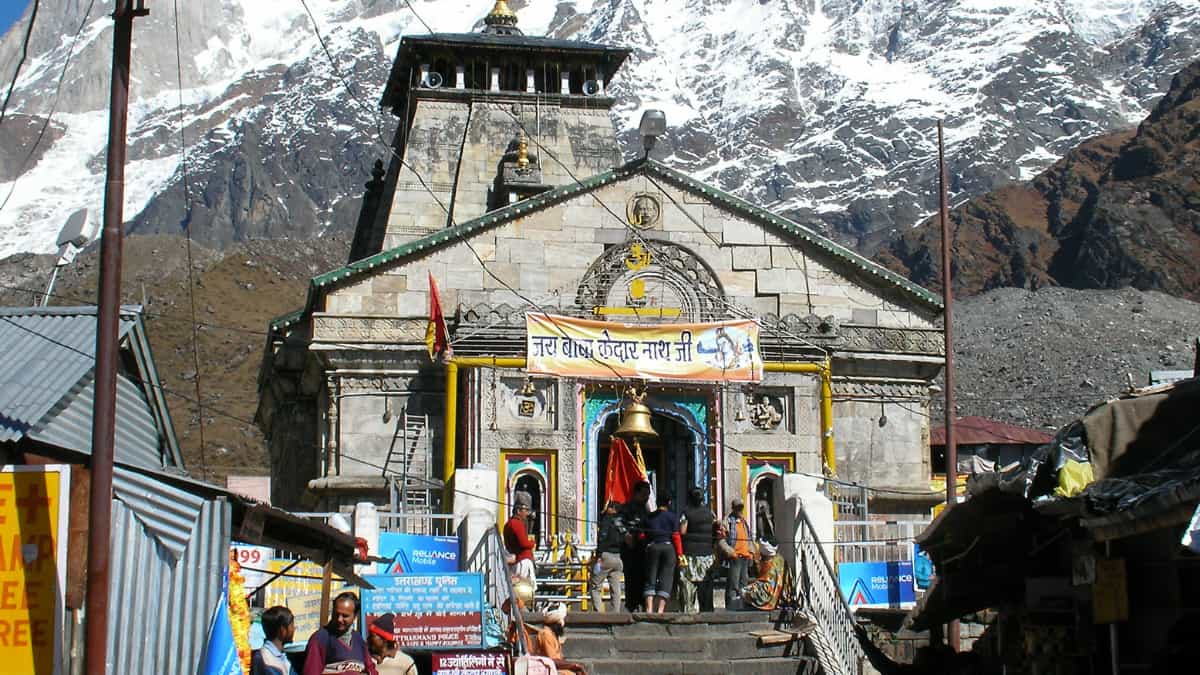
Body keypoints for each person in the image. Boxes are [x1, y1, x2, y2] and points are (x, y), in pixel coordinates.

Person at [302, 591, 377, 675]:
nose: (339, 619)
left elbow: (371, 669)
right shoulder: (320, 639)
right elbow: (311, 671)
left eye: (345, 616)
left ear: (355, 616)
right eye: (336, 614)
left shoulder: (358, 639)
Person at [677, 487, 716, 613]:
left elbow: (682, 531)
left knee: (689, 583)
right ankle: (707, 609)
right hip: (707, 554)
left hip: (691, 553)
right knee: (706, 584)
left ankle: (689, 610)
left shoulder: (686, 513)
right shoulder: (709, 513)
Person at [642, 492, 682, 614]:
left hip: (653, 547)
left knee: (650, 577)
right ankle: (660, 610)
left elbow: (643, 535)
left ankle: (649, 609)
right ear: (669, 502)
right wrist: (680, 554)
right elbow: (676, 536)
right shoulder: (672, 517)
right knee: (667, 577)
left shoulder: (649, 517)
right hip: (668, 547)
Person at [618, 480, 652, 612]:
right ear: (636, 493)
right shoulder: (627, 508)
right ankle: (631, 605)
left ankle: (642, 604)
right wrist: (626, 535)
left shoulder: (646, 509)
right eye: (644, 494)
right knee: (631, 578)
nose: (646, 498)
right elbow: (618, 522)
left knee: (644, 577)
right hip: (630, 550)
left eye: (648, 495)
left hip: (644, 550)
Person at [589, 499, 625, 612]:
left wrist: (598, 556)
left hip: (606, 556)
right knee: (615, 586)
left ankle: (599, 612)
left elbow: (602, 538)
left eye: (608, 507)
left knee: (595, 584)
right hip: (618, 557)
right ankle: (616, 612)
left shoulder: (607, 520)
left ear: (612, 509)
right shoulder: (622, 522)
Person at [531, 603, 587, 675]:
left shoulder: (553, 634)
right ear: (559, 622)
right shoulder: (545, 634)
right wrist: (574, 665)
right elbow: (552, 661)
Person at [740, 542, 790, 611]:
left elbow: (765, 583)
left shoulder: (768, 564)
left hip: (770, 596)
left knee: (743, 591)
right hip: (783, 595)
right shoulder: (780, 559)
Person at [724, 497, 754, 609]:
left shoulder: (744, 522)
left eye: (741, 508)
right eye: (738, 508)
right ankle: (731, 605)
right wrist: (730, 552)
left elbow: (749, 538)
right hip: (735, 556)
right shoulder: (728, 521)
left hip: (745, 556)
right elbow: (722, 539)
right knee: (733, 582)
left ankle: (742, 604)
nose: (740, 510)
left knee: (743, 583)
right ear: (733, 508)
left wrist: (751, 552)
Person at [252, 606, 297, 675]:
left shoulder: (285, 656)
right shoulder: (264, 659)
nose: (294, 629)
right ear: (283, 630)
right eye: (291, 625)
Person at [503, 491, 537, 584]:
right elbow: (524, 543)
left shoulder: (508, 524)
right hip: (523, 560)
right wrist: (533, 543)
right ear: (518, 511)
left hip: (517, 560)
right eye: (525, 510)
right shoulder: (517, 523)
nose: (527, 514)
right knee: (524, 589)